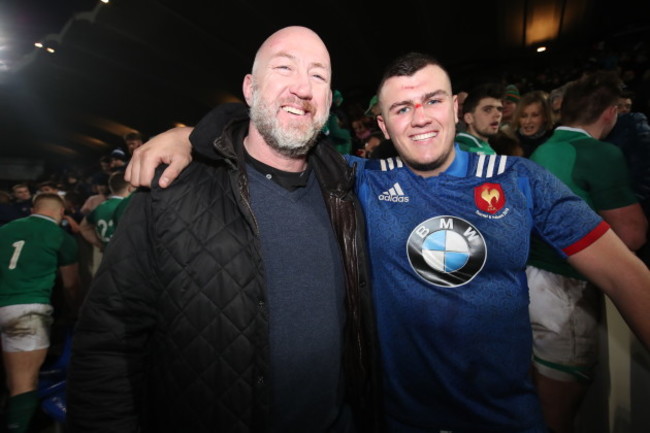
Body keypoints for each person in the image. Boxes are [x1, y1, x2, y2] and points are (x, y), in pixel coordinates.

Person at [128, 50, 650, 433]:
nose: (419, 117)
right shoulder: (361, 180)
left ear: (456, 107)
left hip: (503, 420)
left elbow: (628, 278)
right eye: (401, 109)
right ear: (382, 123)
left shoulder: (521, 180)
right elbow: (270, 137)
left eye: (432, 100)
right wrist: (189, 136)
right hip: (396, 422)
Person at [66, 26, 382, 433]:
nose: (302, 87)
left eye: (319, 75)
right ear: (250, 89)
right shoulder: (171, 189)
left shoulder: (346, 193)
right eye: (284, 68)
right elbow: (109, 340)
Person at [528, 71, 648, 433]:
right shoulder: (599, 153)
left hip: (532, 281)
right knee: (560, 404)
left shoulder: (542, 148)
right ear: (610, 113)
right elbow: (632, 235)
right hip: (567, 289)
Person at [0, 193, 80, 433]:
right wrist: (76, 312)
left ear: (33, 209)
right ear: (62, 214)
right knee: (22, 383)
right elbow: (70, 285)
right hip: (27, 311)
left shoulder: (5, 229)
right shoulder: (61, 237)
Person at [79, 171, 134, 250]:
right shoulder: (128, 205)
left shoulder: (100, 207)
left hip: (108, 253)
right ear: (130, 187)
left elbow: (84, 227)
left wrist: (100, 244)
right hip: (128, 253)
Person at [454, 82, 504, 154]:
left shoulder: (485, 149)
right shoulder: (461, 150)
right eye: (487, 110)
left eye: (499, 109)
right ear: (469, 118)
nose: (498, 114)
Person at [510, 90, 555, 157]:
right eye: (523, 116)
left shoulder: (553, 143)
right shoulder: (511, 143)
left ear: (545, 117)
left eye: (535, 115)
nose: (528, 121)